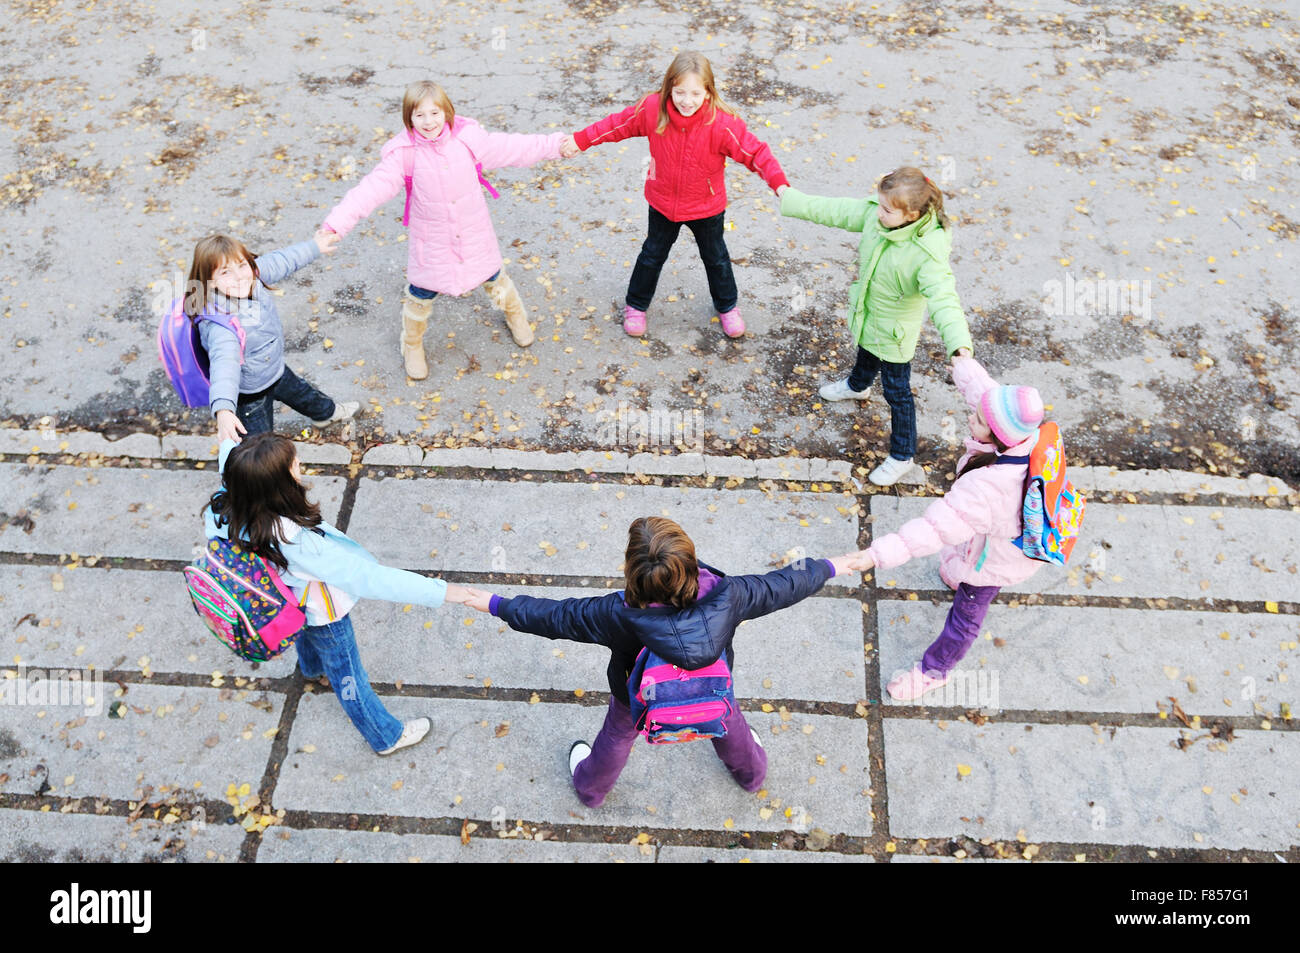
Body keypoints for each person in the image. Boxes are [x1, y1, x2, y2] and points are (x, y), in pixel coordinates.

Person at [462, 517, 860, 806]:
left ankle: (590, 789)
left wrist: (497, 604)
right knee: (727, 721)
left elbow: (555, 616)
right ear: (689, 561)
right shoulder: (732, 595)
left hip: (638, 696)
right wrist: (832, 565)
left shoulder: (615, 614)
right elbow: (784, 584)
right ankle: (751, 776)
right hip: (712, 687)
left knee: (618, 736)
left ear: (632, 573)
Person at [203, 432, 486, 753]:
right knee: (350, 680)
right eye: (293, 465)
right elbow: (372, 578)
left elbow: (228, 451)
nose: (299, 465)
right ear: (277, 485)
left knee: (304, 632)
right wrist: (450, 592)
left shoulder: (225, 506)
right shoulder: (297, 541)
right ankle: (386, 736)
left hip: (283, 602)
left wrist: (223, 410)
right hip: (324, 614)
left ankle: (311, 669)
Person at [322, 80, 565, 378]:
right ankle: (411, 343)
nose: (429, 122)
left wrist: (556, 145)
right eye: (419, 115)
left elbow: (515, 147)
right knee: (421, 294)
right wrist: (336, 224)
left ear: (447, 112)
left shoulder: (469, 141)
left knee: (494, 278)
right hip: (432, 242)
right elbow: (369, 190)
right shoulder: (404, 155)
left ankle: (516, 316)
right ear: (408, 118)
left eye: (435, 113)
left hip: (474, 234)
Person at [851, 357, 1049, 701]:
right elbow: (985, 395)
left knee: (965, 620)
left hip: (994, 563)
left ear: (997, 436)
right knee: (964, 555)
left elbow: (935, 528)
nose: (970, 418)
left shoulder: (990, 489)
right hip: (994, 538)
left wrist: (877, 554)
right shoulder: (1023, 437)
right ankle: (959, 577)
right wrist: (964, 363)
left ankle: (934, 671)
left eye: (978, 420)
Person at [562, 51, 790, 338]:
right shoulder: (651, 109)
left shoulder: (722, 124)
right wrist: (580, 140)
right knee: (652, 255)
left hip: (706, 206)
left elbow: (755, 152)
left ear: (708, 93)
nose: (687, 100)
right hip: (662, 202)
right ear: (669, 87)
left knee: (716, 257)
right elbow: (616, 125)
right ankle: (636, 305)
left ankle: (728, 306)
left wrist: (779, 184)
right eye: (679, 92)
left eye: (695, 93)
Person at [781, 167, 974, 486]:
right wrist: (792, 199)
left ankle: (902, 454)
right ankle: (858, 385)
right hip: (869, 314)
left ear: (911, 214)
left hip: (896, 337)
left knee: (898, 393)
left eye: (886, 208)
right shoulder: (879, 214)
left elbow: (944, 298)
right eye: (880, 204)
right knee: (866, 354)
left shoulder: (927, 255)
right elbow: (836, 210)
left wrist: (959, 344)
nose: (878, 211)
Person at [186, 232, 358, 444]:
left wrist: (315, 246)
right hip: (251, 394)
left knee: (303, 394)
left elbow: (281, 261)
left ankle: (326, 413)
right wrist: (223, 409)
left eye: (241, 265)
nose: (239, 275)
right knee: (260, 446)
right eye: (225, 272)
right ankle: (259, 475)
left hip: (274, 368)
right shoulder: (221, 325)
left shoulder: (252, 276)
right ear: (210, 282)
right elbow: (225, 365)